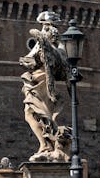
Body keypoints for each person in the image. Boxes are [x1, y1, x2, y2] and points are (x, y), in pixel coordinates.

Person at [19, 11, 70, 161]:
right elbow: (29, 59)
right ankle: (46, 143)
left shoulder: (54, 47)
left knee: (33, 113)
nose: (42, 29)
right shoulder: (56, 47)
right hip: (36, 80)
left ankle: (46, 144)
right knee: (33, 113)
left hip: (41, 82)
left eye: (44, 26)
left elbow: (37, 61)